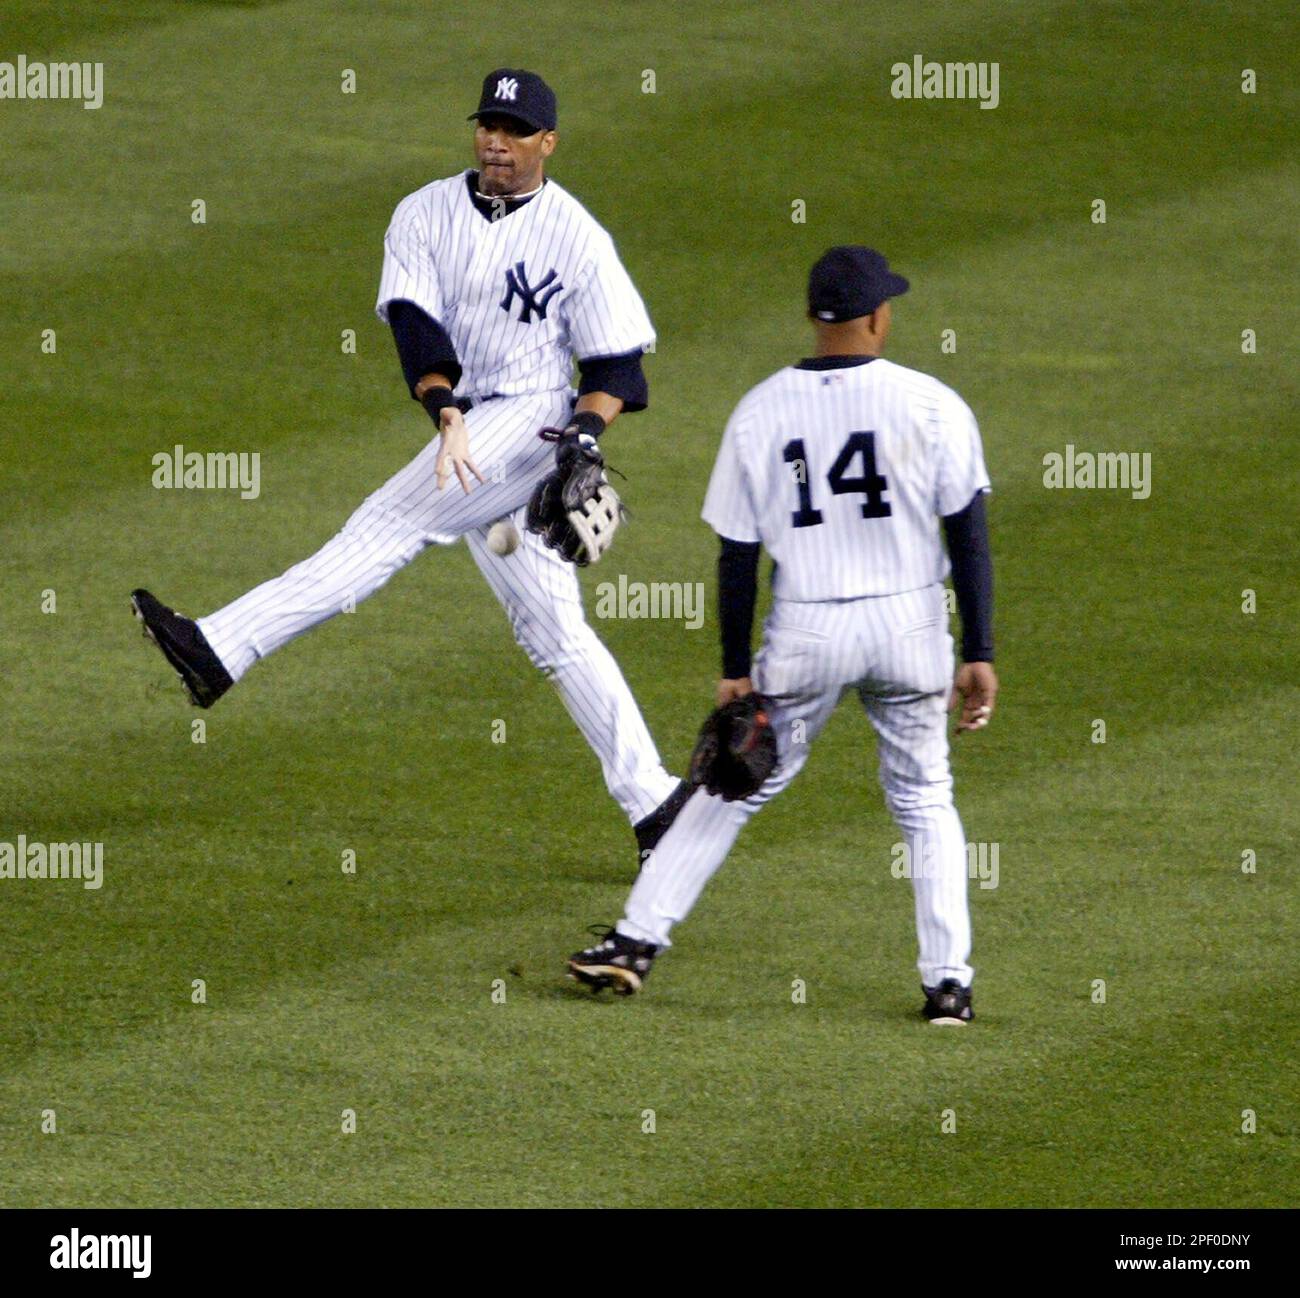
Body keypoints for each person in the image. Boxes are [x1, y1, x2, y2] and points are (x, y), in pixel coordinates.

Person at [131, 68, 690, 864]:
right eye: (488, 124)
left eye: (515, 128)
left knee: (388, 524)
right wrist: (445, 407)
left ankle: (220, 648)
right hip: (470, 421)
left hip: (531, 425)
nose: (496, 139)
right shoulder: (424, 212)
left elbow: (618, 368)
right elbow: (413, 321)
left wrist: (584, 438)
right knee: (554, 633)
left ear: (548, 142)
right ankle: (657, 806)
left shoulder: (578, 238)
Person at [567, 246, 997, 1023]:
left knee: (730, 787)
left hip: (809, 629)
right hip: (911, 625)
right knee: (926, 800)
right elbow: (968, 535)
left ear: (813, 318)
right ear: (878, 317)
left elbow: (737, 553)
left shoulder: (761, 408)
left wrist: (735, 666)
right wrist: (981, 652)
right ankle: (948, 986)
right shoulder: (933, 402)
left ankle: (635, 943)